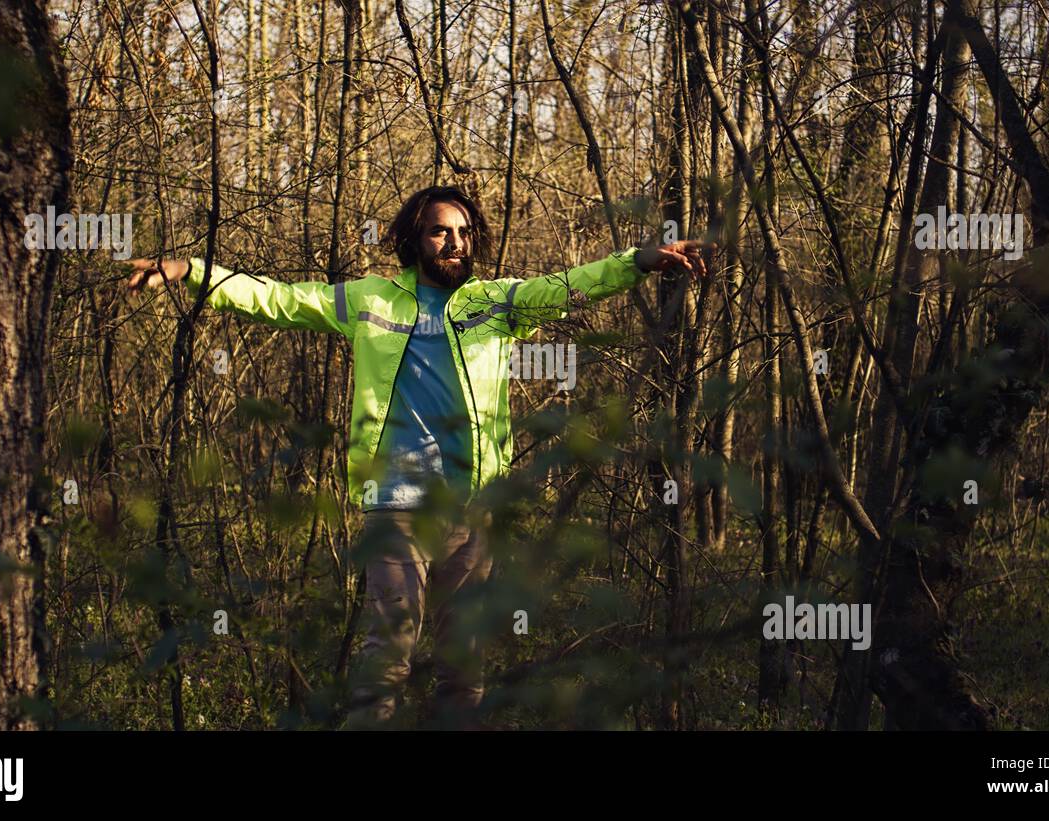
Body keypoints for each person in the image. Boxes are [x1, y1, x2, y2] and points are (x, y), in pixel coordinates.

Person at [126, 185, 711, 728]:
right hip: (396, 504)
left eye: (463, 232)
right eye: (439, 231)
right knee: (391, 651)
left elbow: (568, 283)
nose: (454, 243)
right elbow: (277, 299)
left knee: (466, 662)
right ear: (414, 239)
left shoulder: (496, 304)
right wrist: (189, 270)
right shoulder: (369, 299)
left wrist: (639, 260)